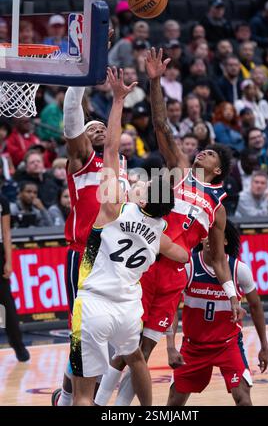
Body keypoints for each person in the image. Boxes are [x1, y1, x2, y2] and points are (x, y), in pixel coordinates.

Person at [96, 48, 245, 407]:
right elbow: (161, 124)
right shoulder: (178, 171)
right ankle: (100, 404)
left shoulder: (218, 207)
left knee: (144, 352)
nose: (201, 153)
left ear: (219, 170)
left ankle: (119, 410)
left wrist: (230, 292)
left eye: (209, 153)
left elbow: (218, 256)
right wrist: (155, 80)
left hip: (176, 275)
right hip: (148, 262)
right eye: (202, 150)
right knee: (128, 349)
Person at [70, 66, 189, 406]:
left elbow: (109, 148)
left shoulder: (114, 208)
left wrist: (118, 99)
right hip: (128, 310)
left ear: (146, 198)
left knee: (82, 393)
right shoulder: (159, 232)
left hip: (93, 303)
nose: (142, 182)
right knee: (136, 359)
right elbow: (180, 255)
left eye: (147, 185)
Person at [52, 39, 129, 407]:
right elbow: (71, 111)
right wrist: (89, 63)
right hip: (85, 255)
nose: (97, 130)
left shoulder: (122, 168)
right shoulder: (82, 159)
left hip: (117, 259)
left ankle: (88, 401)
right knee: (83, 337)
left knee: (117, 340)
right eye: (91, 126)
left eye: (102, 127)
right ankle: (70, 399)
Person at [167, 220, 268, 406]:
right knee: (173, 404)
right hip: (194, 347)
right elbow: (172, 307)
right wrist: (171, 346)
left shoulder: (239, 269)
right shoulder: (189, 266)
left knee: (244, 400)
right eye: (205, 234)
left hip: (228, 345)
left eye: (214, 234)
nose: (208, 238)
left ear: (225, 241)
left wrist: (264, 346)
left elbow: (256, 306)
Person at [0, 194, 30, 361]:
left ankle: (17, 344)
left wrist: (9, 261)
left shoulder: (2, 200)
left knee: (6, 305)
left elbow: (6, 233)